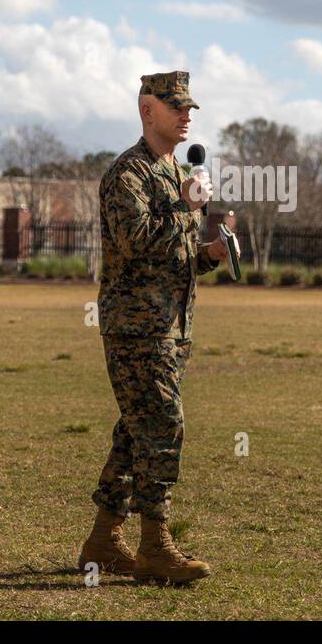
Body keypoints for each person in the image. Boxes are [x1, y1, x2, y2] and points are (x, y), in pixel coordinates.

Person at [78, 70, 229, 585]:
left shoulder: (171, 171)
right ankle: (156, 546)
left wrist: (209, 252)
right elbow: (137, 241)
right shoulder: (129, 174)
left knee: (135, 431)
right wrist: (189, 210)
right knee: (161, 426)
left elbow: (173, 255)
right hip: (136, 328)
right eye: (177, 107)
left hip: (171, 326)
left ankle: (103, 541)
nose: (187, 116)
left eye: (190, 109)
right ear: (148, 111)